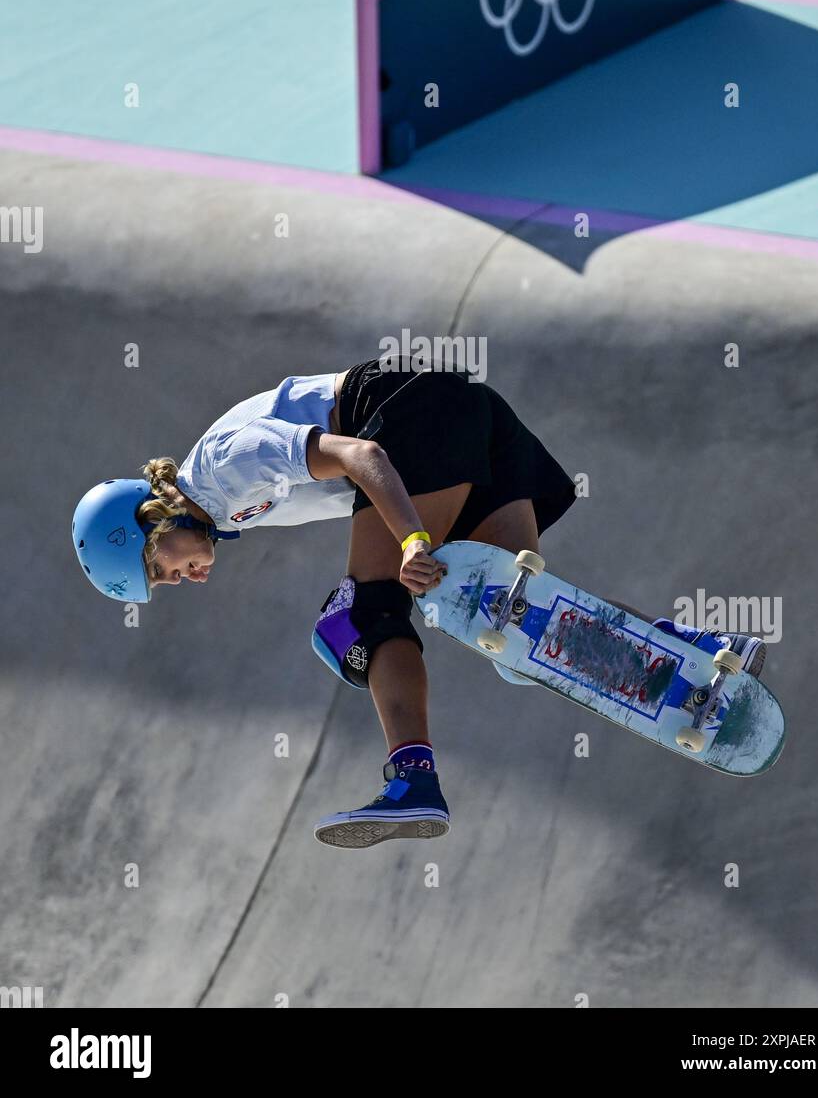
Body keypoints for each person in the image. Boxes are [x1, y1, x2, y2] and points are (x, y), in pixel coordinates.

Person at [72, 357, 766, 849]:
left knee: (359, 618)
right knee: (515, 620)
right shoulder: (224, 509)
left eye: (162, 572)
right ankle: (697, 655)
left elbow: (362, 453)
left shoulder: (222, 465)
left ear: (151, 524)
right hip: (470, 419)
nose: (184, 580)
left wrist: (408, 539)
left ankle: (412, 781)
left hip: (416, 411)